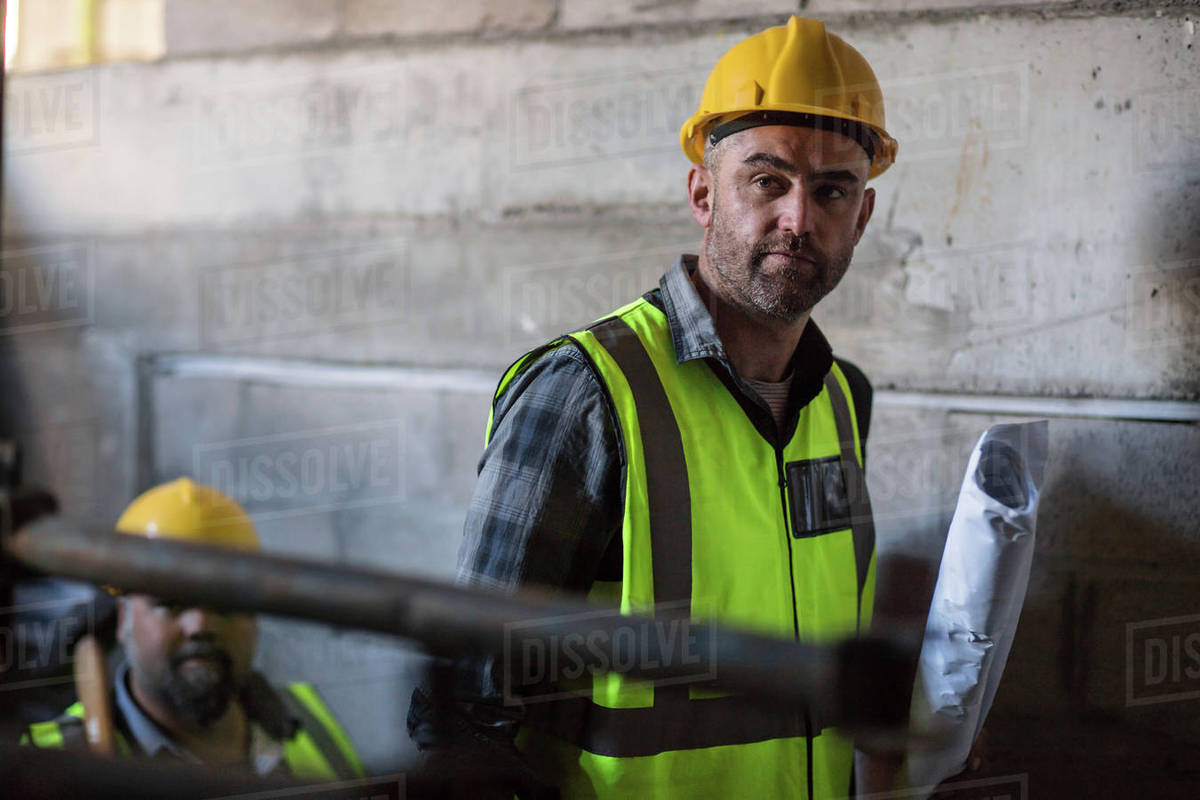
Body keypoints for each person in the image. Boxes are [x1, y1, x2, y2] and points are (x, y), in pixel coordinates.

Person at [409, 15, 898, 798]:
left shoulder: (844, 401)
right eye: (767, 180)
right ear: (703, 194)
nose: (798, 220)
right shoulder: (586, 395)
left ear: (863, 216)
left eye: (832, 190)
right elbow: (464, 712)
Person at [21, 477, 365, 782]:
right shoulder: (45, 763)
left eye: (225, 601)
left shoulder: (307, 721)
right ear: (124, 618)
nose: (200, 625)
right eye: (170, 603)